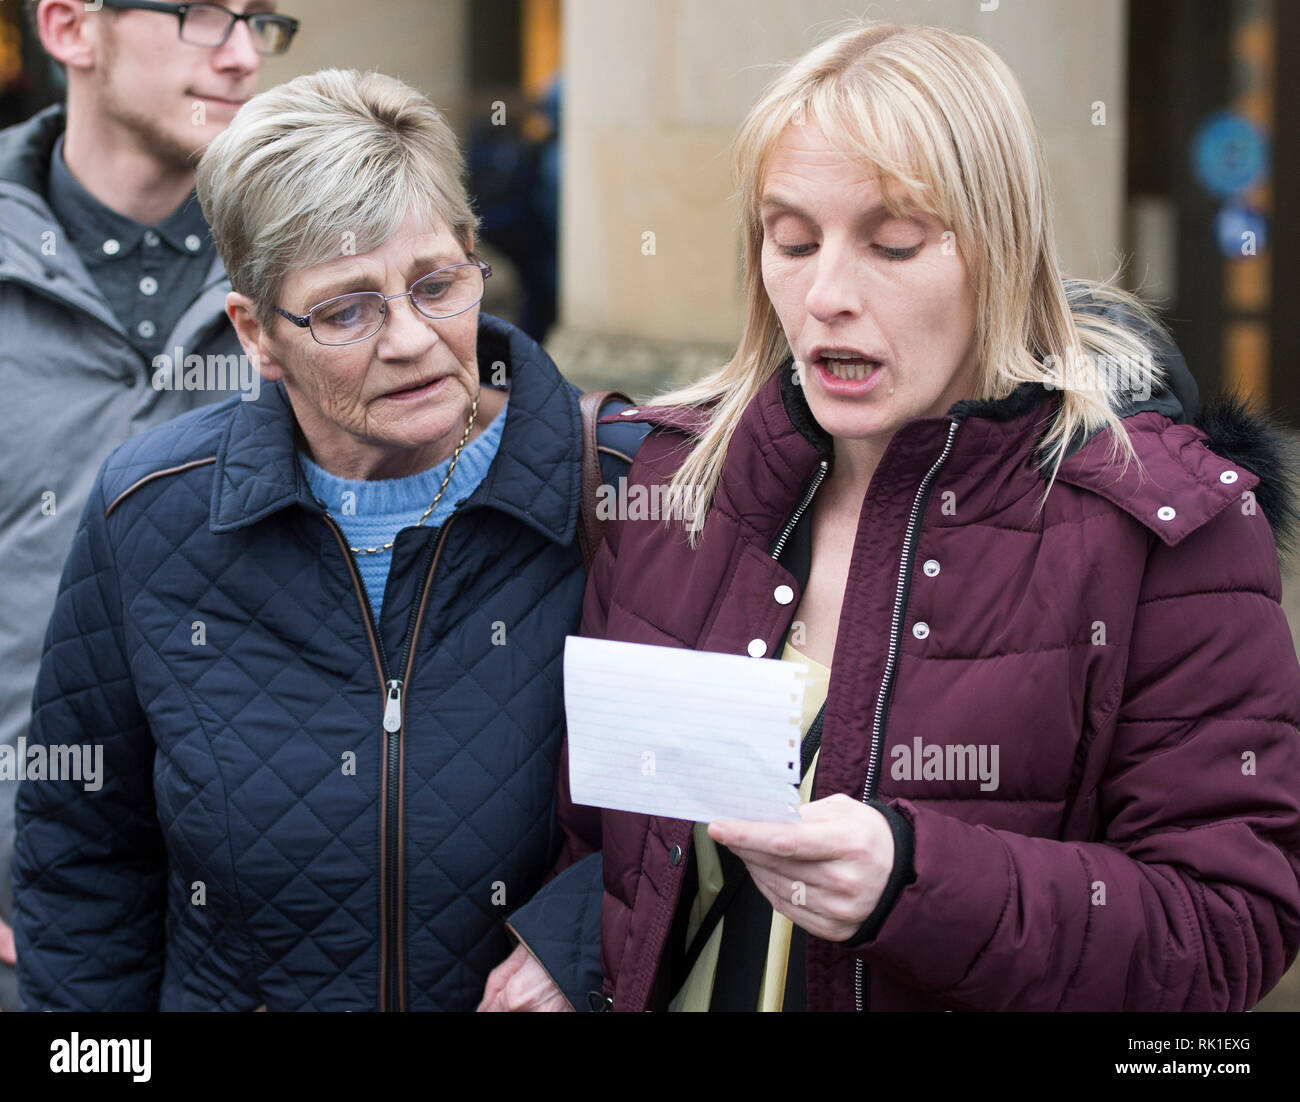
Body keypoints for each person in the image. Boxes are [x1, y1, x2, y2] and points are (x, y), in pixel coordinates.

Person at [488, 20, 1300, 1012]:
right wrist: (573, 950)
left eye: (894, 244)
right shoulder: (674, 485)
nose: (826, 293)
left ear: (997, 253)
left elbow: (1226, 929)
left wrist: (915, 881)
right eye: (790, 239)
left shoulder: (1165, 531)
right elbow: (604, 835)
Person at [11, 67, 645, 1011]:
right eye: (346, 309)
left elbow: (720, 808)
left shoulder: (627, 491)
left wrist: (579, 941)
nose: (411, 340)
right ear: (256, 333)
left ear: (474, 255)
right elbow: (83, 862)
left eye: (436, 283)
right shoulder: (149, 512)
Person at [0, 0, 298, 1012]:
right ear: (71, 28)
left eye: (262, 20)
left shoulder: (322, 274)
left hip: (267, 941)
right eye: (205, 15)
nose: (245, 54)